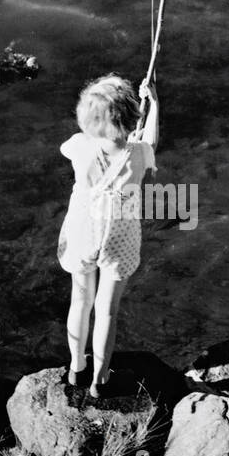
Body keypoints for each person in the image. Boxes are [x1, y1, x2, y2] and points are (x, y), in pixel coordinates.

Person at [58, 74, 158, 399]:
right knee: (107, 311)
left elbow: (79, 143)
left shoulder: (78, 146)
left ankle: (76, 367)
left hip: (83, 232)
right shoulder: (140, 153)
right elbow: (150, 142)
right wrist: (153, 103)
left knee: (79, 301)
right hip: (119, 235)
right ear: (133, 117)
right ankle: (100, 381)